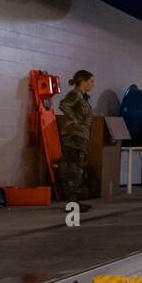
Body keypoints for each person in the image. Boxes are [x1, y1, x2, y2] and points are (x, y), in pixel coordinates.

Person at [57, 69, 95, 208]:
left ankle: (74, 201)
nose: (92, 84)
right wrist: (74, 120)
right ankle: (72, 203)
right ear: (83, 81)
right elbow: (64, 105)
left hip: (80, 137)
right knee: (73, 168)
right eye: (91, 81)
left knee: (78, 168)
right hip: (73, 137)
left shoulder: (83, 96)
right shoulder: (75, 94)